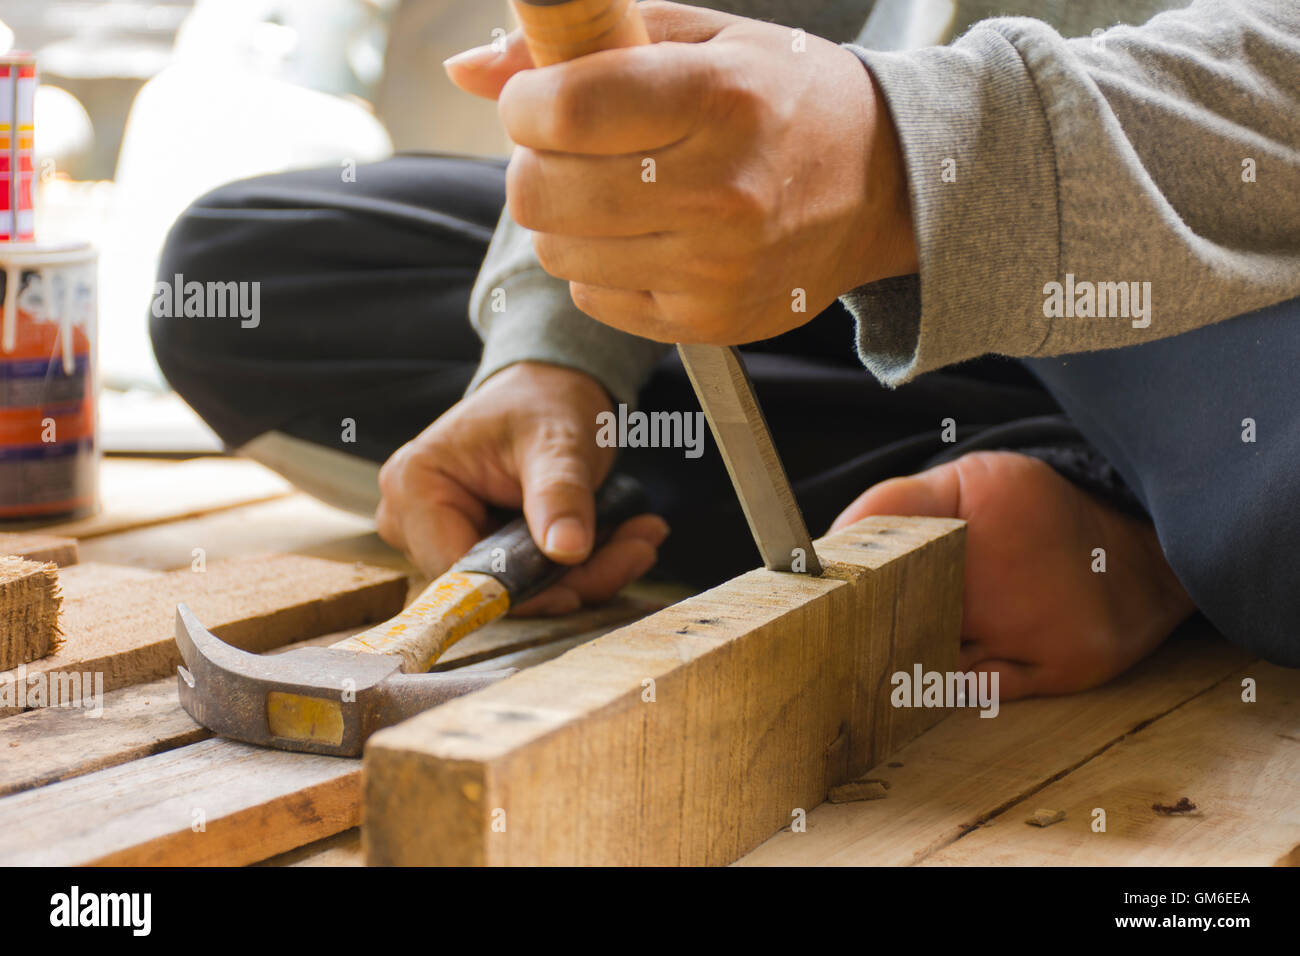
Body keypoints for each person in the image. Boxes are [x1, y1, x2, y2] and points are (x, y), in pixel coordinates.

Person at [151, 0, 1300, 700]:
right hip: (899, 271)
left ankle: (1140, 536)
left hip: (1235, 280)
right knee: (245, 278)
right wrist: (549, 354)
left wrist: (911, 155)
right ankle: (1087, 503)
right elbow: (694, 54)